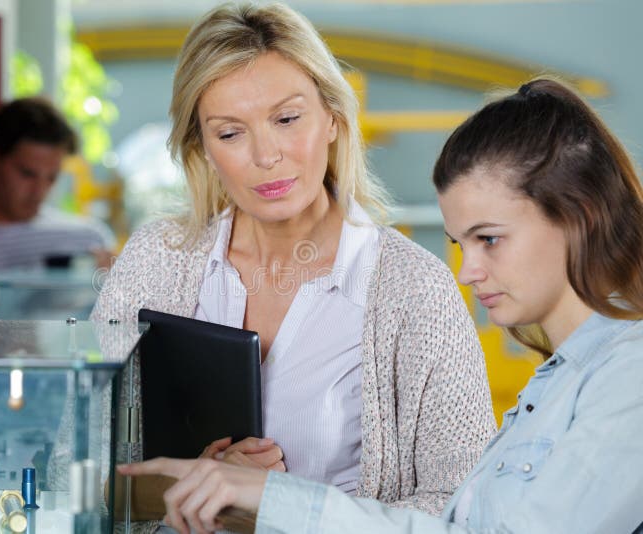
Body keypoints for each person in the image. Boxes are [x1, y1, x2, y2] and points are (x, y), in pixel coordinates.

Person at [119, 78, 643, 534]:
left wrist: (273, 500)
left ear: (580, 215)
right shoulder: (556, 383)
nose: (468, 271)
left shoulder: (629, 374)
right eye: (462, 243)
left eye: (490, 239)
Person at [91, 1, 495, 517]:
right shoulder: (156, 259)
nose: (266, 156)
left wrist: (272, 503)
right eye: (231, 132)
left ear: (331, 117)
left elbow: (465, 505)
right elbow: (76, 471)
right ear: (202, 147)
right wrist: (204, 482)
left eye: (286, 118)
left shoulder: (414, 288)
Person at [0, 97, 116, 318]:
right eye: (27, 174)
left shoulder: (88, 238)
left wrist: (120, 289)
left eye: (51, 178)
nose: (40, 190)